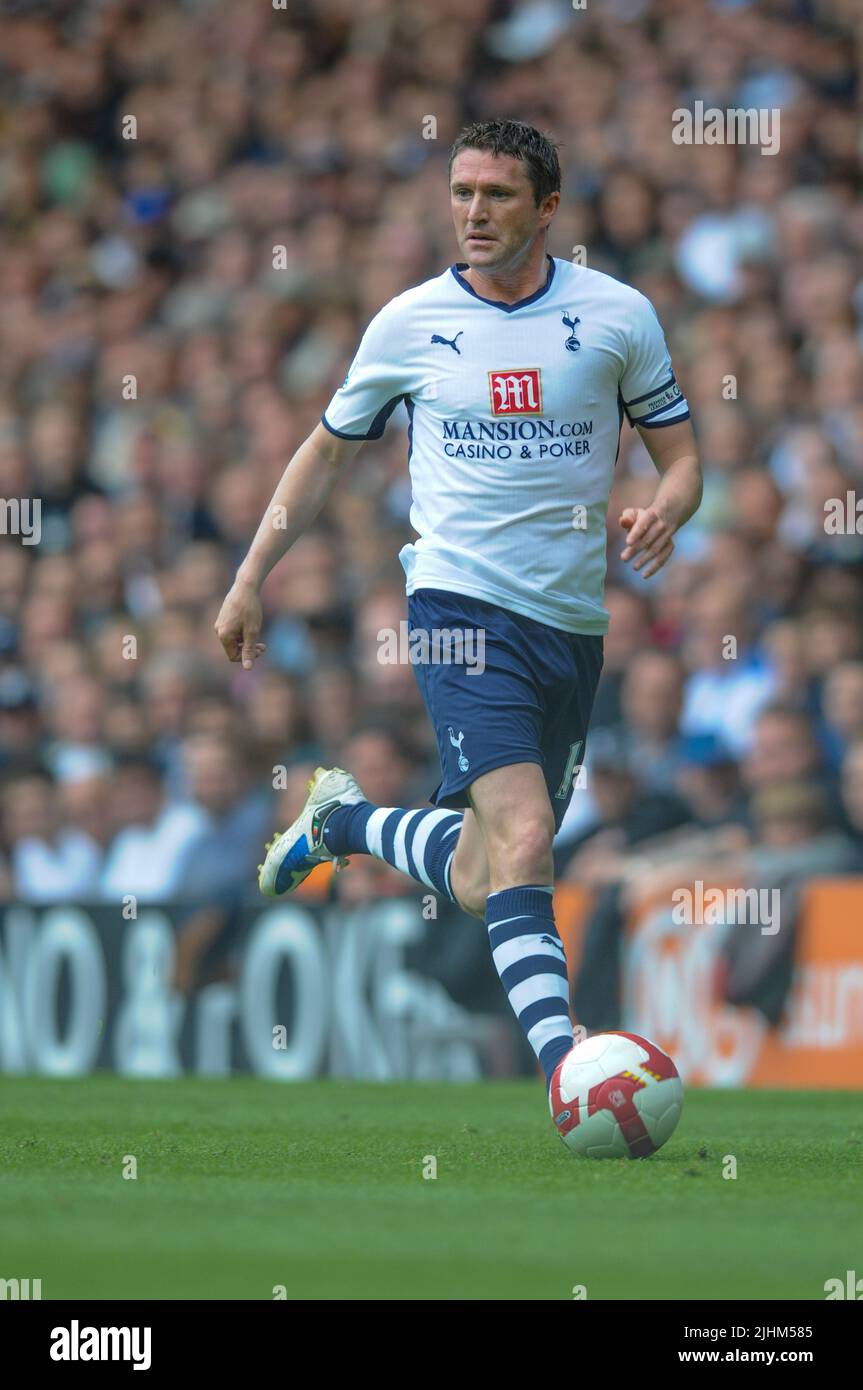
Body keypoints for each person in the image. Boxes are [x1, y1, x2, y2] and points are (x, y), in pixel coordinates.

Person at [215, 119, 702, 1103]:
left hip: (569, 627)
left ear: (548, 210)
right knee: (523, 837)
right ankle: (571, 1071)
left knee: (488, 873)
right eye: (461, 193)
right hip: (453, 607)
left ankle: (343, 823)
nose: (473, 213)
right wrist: (249, 572)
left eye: (498, 196)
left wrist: (666, 510)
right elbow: (324, 451)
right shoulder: (407, 322)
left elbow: (682, 455)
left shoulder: (615, 317)